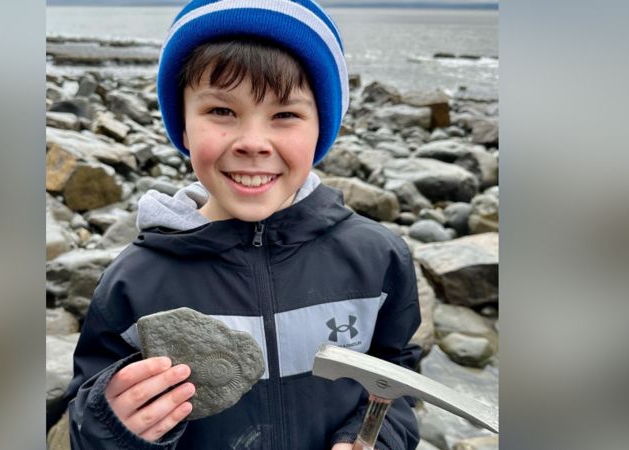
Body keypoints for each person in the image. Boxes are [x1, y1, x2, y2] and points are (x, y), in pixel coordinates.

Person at [63, 1, 422, 449]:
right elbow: (82, 420)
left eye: (285, 115)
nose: (253, 143)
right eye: (221, 111)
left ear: (322, 129)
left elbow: (397, 383)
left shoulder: (377, 259)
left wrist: (373, 438)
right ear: (184, 127)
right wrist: (110, 425)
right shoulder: (134, 283)